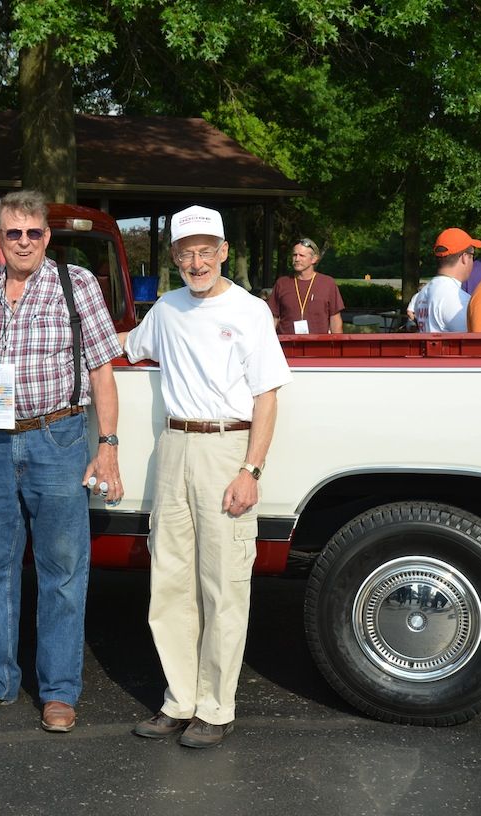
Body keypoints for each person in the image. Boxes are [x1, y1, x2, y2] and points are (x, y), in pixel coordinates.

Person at [0, 190, 122, 733]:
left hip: (58, 439)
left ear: (47, 236)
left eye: (33, 232)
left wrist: (108, 447)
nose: (23, 242)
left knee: (63, 571)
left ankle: (59, 692)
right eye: (13, 233)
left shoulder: (77, 285)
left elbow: (102, 372)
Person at [120, 205, 291, 749]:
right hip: (174, 447)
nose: (196, 263)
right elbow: (125, 346)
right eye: (186, 254)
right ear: (174, 257)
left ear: (223, 252)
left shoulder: (250, 311)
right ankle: (180, 701)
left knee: (223, 585)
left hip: (226, 448)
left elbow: (267, 397)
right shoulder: (166, 309)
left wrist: (250, 470)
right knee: (169, 582)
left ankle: (216, 708)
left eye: (205, 252)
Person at [268, 237, 344, 334]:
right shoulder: (282, 283)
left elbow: (335, 319)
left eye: (302, 255)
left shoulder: (328, 283)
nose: (297, 259)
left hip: (318, 342)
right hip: (286, 342)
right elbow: (274, 318)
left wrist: (337, 342)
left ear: (314, 259)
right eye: (294, 255)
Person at [414, 228, 481, 332]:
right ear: (464, 257)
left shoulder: (423, 293)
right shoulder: (458, 300)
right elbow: (475, 339)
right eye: (472, 255)